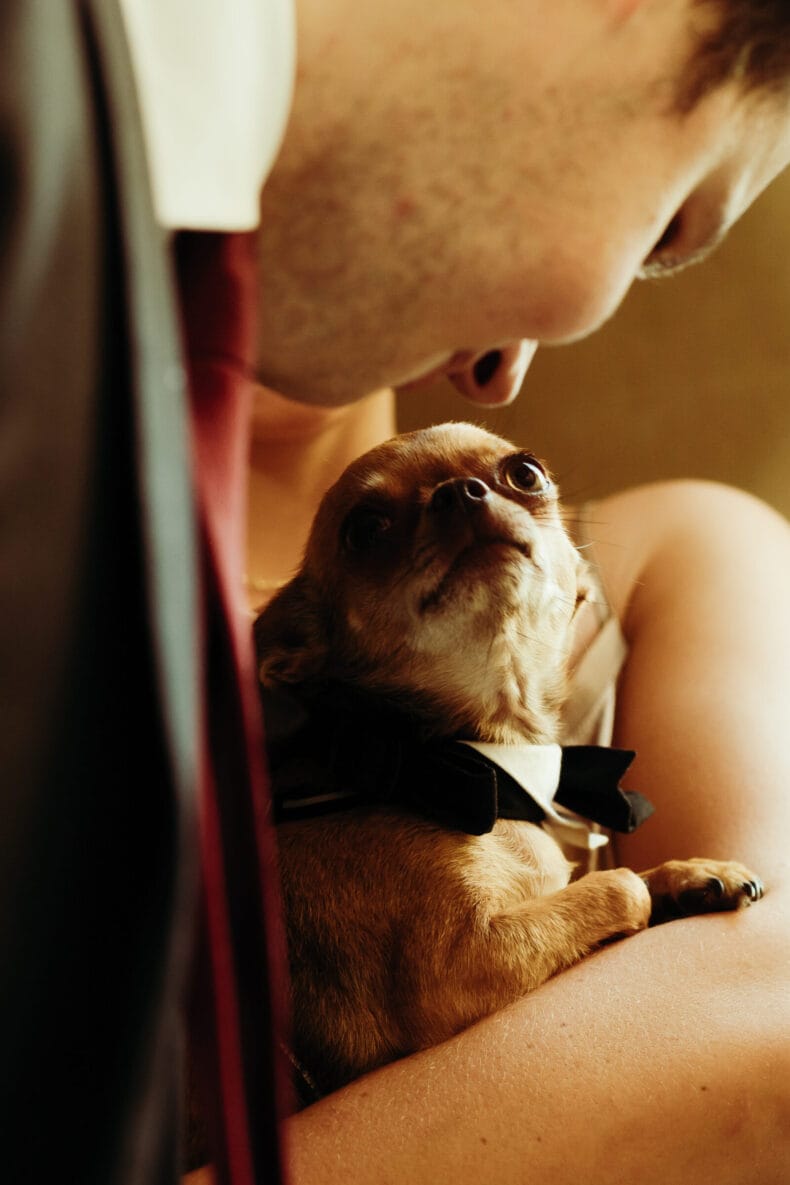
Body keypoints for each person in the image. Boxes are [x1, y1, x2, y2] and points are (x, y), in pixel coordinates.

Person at [3, 2, 790, 1184]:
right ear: (299, 648)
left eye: (517, 475)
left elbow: (757, 1008)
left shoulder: (674, 550)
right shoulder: (53, 470)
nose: (513, 357)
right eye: (662, 221)